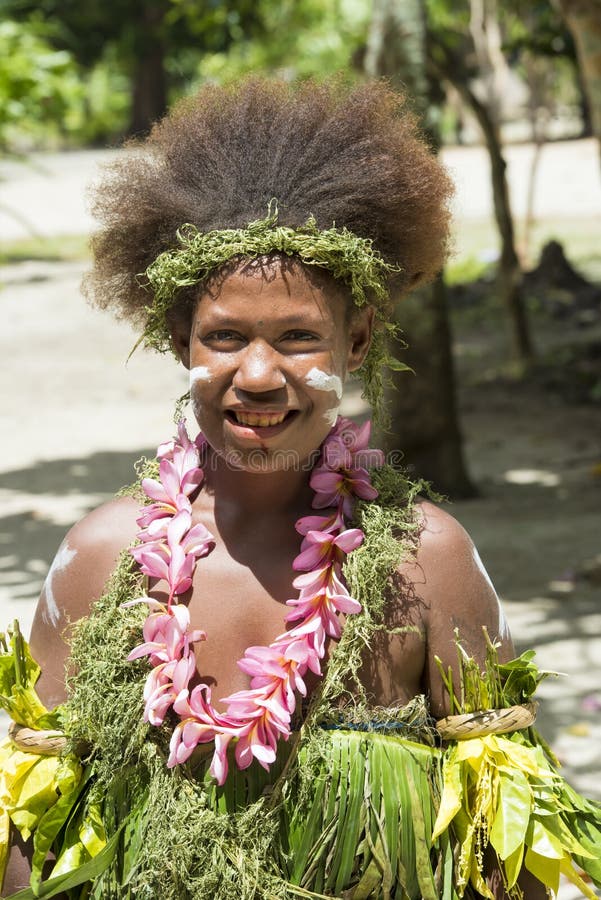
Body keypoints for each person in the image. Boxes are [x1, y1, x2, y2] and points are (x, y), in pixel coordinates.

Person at [1, 78, 600, 900]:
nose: (257, 374)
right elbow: (28, 837)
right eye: (224, 337)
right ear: (180, 340)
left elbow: (504, 841)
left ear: (354, 339)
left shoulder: (425, 564)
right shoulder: (99, 564)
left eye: (297, 337)